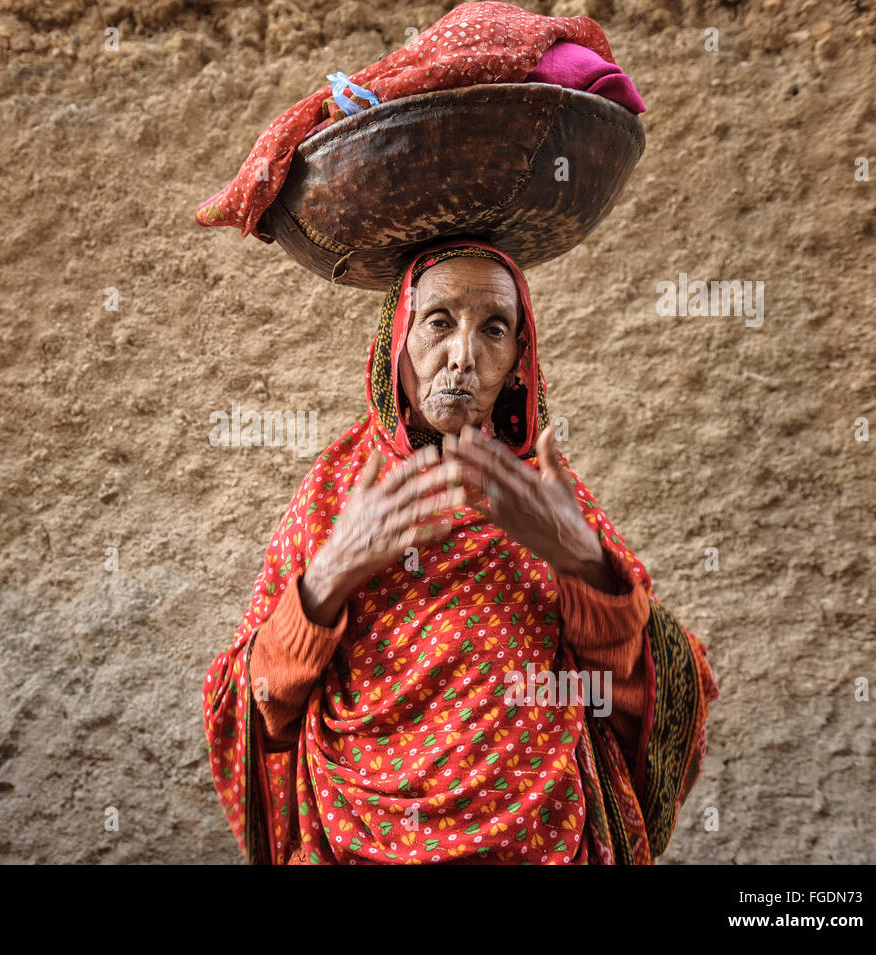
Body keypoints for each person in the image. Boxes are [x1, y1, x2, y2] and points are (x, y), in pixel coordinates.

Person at [202, 238, 718, 864]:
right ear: (396, 337)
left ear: (519, 358)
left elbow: (657, 698)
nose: (463, 356)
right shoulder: (336, 493)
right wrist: (332, 573)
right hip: (354, 844)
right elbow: (248, 711)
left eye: (493, 330)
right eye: (439, 322)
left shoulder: (543, 497)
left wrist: (582, 563)